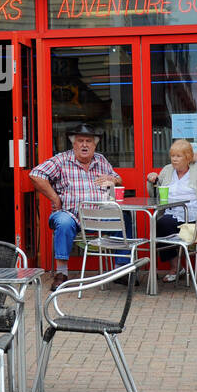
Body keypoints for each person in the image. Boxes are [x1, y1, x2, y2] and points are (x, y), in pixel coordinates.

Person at [29, 123, 122, 289]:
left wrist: (113, 180)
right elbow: (35, 174)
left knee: (122, 217)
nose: (84, 145)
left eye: (89, 141)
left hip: (98, 216)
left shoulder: (101, 160)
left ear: (95, 144)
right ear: (74, 143)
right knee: (63, 222)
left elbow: (118, 178)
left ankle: (122, 269)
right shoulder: (62, 159)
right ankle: (62, 273)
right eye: (80, 141)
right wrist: (55, 198)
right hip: (69, 213)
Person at [146, 138, 197, 281]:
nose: (174, 159)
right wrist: (151, 181)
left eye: (178, 156)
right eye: (172, 156)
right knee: (160, 225)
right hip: (175, 214)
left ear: (188, 157)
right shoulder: (166, 171)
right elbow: (155, 195)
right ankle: (176, 267)